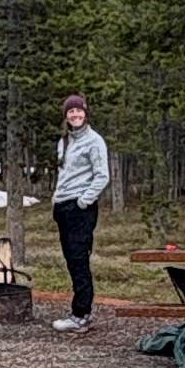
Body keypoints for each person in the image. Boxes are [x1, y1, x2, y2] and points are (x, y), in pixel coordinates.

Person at [48, 95, 109, 331]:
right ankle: (79, 311)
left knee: (79, 259)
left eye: (79, 111)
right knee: (71, 261)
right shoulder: (64, 142)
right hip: (62, 206)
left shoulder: (94, 141)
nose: (75, 115)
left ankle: (81, 314)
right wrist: (56, 199)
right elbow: (63, 174)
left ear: (86, 113)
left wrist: (84, 201)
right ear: (66, 116)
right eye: (70, 112)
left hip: (80, 208)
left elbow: (102, 175)